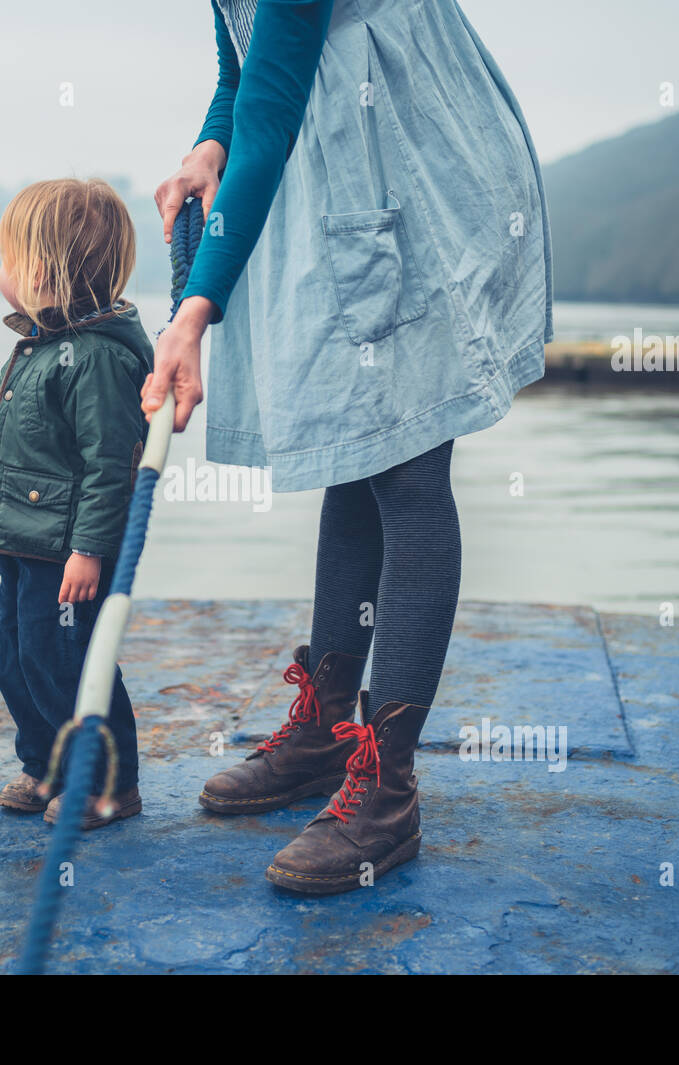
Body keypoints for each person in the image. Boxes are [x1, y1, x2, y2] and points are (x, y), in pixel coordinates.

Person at [143, 0, 554, 893]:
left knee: (408, 466)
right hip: (342, 168)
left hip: (413, 168)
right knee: (356, 448)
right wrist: (208, 146)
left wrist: (193, 311)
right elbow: (242, 77)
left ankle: (389, 785)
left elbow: (276, 105)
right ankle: (330, 733)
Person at [0, 177, 153, 829]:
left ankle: (108, 781)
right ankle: (45, 762)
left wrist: (88, 551)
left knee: (69, 666)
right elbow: (5, 445)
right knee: (20, 659)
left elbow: (109, 469)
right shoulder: (38, 346)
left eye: (9, 262)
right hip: (24, 540)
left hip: (67, 553)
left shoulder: (98, 360)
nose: (2, 274)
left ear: (44, 274)